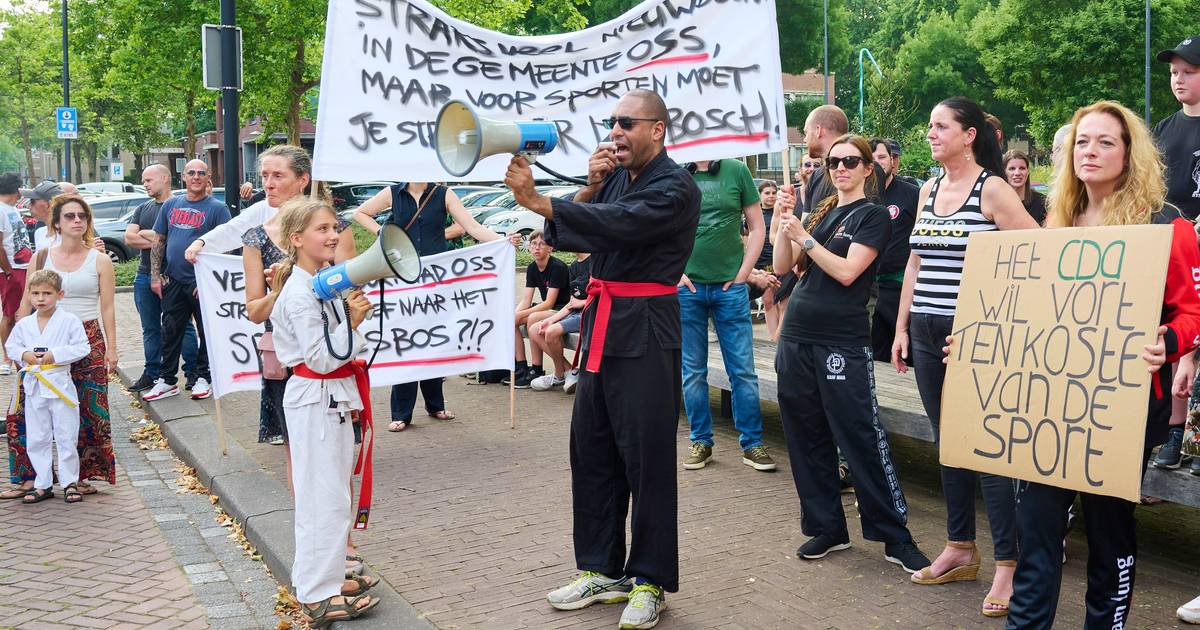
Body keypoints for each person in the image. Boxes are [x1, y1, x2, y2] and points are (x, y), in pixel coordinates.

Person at [504, 88, 699, 630]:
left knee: (647, 460)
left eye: (627, 123)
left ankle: (650, 581)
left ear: (657, 129)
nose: (615, 131)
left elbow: (619, 224)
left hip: (647, 327)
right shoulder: (615, 177)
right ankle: (602, 569)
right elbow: (584, 233)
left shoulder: (675, 187)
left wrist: (537, 200)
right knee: (591, 449)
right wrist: (589, 185)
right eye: (612, 122)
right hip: (602, 325)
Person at [1003, 100, 1200, 628]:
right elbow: (1034, 308)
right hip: (1051, 404)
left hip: (1122, 408)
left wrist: (1169, 340)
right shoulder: (1057, 221)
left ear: (1129, 154)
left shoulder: (1167, 225)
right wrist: (988, 342)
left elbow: (1192, 312)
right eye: (1082, 141)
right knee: (1036, 528)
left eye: (1105, 142)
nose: (1090, 151)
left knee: (1109, 533)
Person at [890, 96, 1037, 617]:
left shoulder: (992, 189)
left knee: (986, 448)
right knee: (948, 442)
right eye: (929, 126)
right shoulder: (928, 189)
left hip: (974, 335)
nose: (930, 134)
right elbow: (915, 264)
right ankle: (959, 547)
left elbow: (1036, 255)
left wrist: (992, 325)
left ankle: (1008, 565)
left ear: (969, 134)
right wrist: (902, 327)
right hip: (926, 331)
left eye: (940, 126)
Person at [772, 134, 930, 575]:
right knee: (805, 436)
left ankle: (895, 536)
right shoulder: (820, 213)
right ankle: (827, 527)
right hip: (797, 337)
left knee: (860, 435)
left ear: (867, 169)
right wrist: (783, 224)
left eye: (850, 161)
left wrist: (804, 237)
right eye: (834, 162)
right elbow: (783, 267)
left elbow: (847, 272)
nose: (840, 167)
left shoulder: (873, 215)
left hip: (841, 340)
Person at [269, 198, 380, 626]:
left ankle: (325, 579)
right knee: (323, 499)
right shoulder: (300, 294)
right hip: (316, 397)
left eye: (334, 228)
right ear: (297, 239)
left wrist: (350, 323)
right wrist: (351, 323)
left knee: (332, 496)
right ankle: (317, 595)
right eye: (323, 230)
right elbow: (319, 357)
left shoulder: (318, 285)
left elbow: (336, 349)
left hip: (327, 397)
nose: (334, 236)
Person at [353, 181, 516, 432]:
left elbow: (472, 226)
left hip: (436, 278)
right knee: (405, 341)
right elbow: (360, 213)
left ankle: (435, 404)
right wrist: (385, 235)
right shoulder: (393, 193)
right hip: (404, 276)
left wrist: (503, 241)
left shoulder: (443, 194)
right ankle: (401, 413)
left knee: (434, 339)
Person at [14, 194, 120, 496]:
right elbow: (25, 302)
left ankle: (80, 474)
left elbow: (108, 307)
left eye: (82, 216)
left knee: (87, 406)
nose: (77, 221)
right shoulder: (42, 257)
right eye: (70, 216)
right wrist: (18, 344)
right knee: (33, 406)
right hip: (44, 335)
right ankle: (34, 476)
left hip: (87, 335)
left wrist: (112, 347)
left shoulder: (100, 260)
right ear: (57, 222)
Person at [679, 157, 772, 472]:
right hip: (689, 289)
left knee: (742, 370)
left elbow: (757, 227)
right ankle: (700, 441)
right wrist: (676, 272)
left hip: (729, 288)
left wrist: (744, 274)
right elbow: (660, 230)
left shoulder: (737, 170)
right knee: (693, 371)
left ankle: (752, 443)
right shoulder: (677, 173)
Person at [1150, 36, 1200, 475]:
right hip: (1169, 247)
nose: (1178, 80)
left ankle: (1194, 438)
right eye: (1173, 73)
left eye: (1189, 72)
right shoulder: (1163, 130)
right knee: (1171, 337)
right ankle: (1173, 430)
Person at [142, 160, 230, 402]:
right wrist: (155, 276)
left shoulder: (218, 208)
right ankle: (167, 380)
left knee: (206, 332)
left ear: (209, 177)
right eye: (191, 172)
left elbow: (226, 246)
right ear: (183, 176)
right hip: (173, 281)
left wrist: (212, 282)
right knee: (170, 332)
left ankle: (203, 377)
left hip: (201, 284)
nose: (196, 176)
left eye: (202, 173)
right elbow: (159, 241)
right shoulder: (171, 205)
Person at [5, 269, 90, 504]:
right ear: (29, 295)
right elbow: (12, 346)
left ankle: (70, 482)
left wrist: (56, 354)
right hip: (34, 387)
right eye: (36, 293)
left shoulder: (69, 320)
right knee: (37, 436)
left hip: (59, 384)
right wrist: (24, 354)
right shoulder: (25, 324)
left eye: (47, 293)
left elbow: (82, 347)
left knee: (66, 434)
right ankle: (43, 483)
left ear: (59, 294)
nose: (41, 298)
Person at [124, 164, 199, 392]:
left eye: (148, 180)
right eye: (143, 180)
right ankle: (152, 373)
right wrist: (160, 239)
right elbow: (129, 238)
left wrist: (155, 237)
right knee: (150, 328)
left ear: (165, 178)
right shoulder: (142, 208)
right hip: (144, 275)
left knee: (182, 326)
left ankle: (193, 372)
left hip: (172, 277)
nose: (144, 184)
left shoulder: (179, 207)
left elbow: (183, 241)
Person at [867, 138, 920, 363]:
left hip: (900, 286)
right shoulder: (861, 196)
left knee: (907, 354)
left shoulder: (912, 193)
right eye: (871, 159)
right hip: (868, 288)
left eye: (881, 157)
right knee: (873, 354)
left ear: (892, 160)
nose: (877, 162)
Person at [512, 231, 570, 388]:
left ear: (550, 248)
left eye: (542, 244)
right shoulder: (532, 267)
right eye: (533, 244)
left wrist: (521, 314)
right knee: (512, 321)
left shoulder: (557, 267)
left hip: (563, 310)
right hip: (548, 310)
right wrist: (515, 314)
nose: (537, 248)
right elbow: (526, 300)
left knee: (532, 318)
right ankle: (522, 366)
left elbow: (549, 303)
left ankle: (537, 369)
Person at [527, 252, 591, 392]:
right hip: (575, 312)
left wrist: (583, 302)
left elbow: (604, 294)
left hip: (590, 313)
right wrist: (550, 319)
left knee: (551, 332)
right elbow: (571, 303)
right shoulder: (573, 266)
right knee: (535, 329)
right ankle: (568, 371)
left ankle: (559, 374)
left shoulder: (596, 263)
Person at [0, 173, 33, 375]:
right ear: (16, 189)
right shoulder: (1, 210)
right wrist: (8, 271)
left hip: (22, 266)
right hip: (12, 269)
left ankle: (19, 355)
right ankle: (7, 358)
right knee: (9, 314)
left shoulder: (12, 209)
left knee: (21, 313)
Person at [1002, 150, 1046, 225]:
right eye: (1012, 168)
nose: (1017, 173)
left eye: (1022, 168)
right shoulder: (996, 204)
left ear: (1028, 171)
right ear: (1004, 172)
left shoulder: (1043, 203)